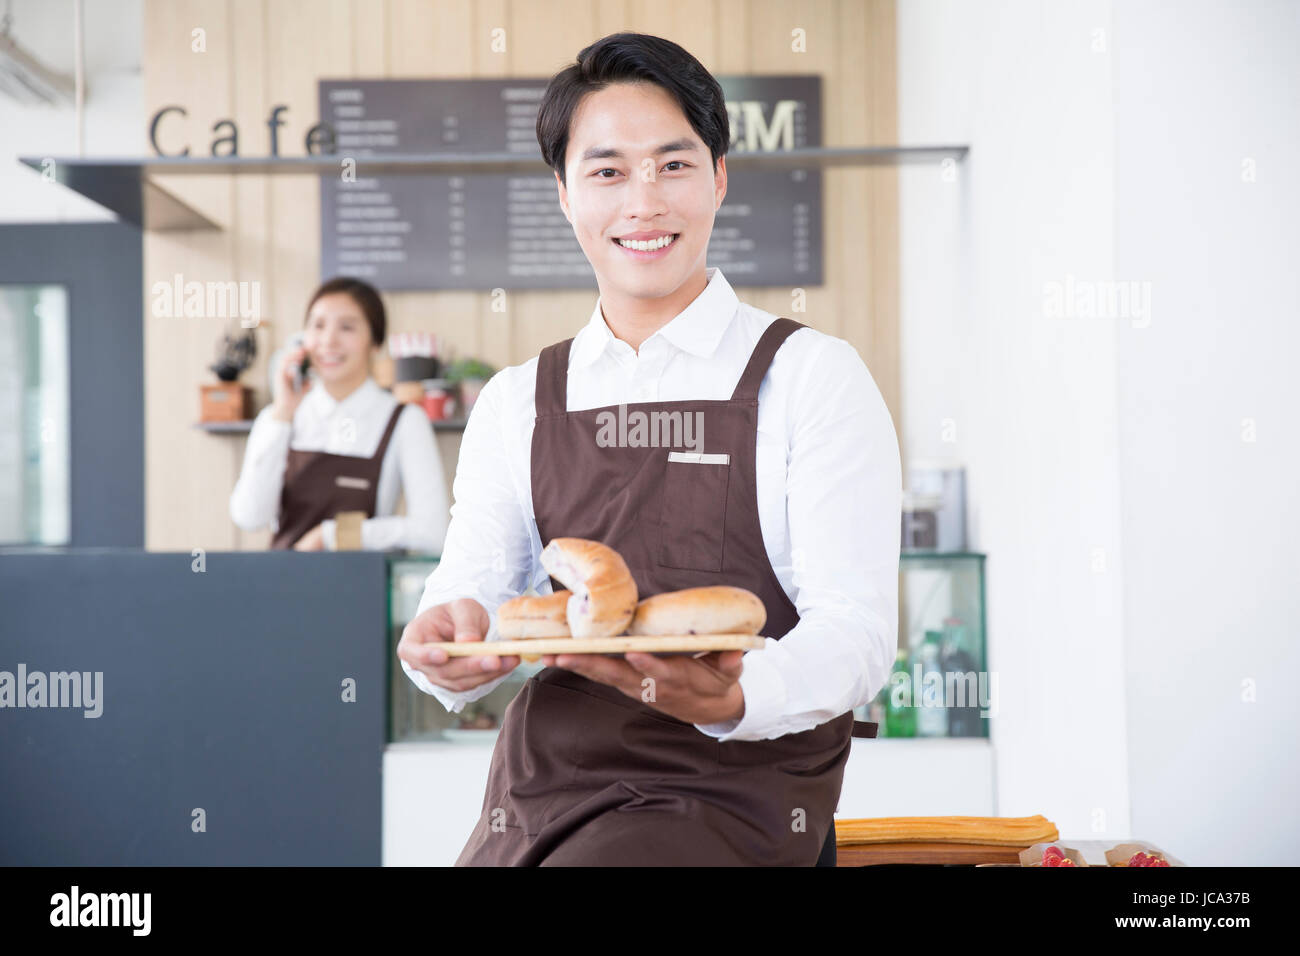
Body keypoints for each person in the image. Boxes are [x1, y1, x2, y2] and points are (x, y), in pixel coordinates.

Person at [396, 32, 900, 865]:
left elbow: (856, 629)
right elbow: (474, 592)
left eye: (674, 164)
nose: (644, 202)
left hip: (732, 784)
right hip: (543, 783)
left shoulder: (811, 376)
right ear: (563, 193)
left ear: (719, 177)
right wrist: (446, 641)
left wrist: (739, 692)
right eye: (607, 171)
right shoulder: (517, 399)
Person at [229, 277, 450, 553]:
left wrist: (330, 535)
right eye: (318, 326)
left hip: (361, 590)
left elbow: (432, 531)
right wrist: (282, 415)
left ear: (375, 343)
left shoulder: (405, 420)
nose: (328, 341)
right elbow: (249, 517)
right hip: (280, 588)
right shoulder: (277, 418)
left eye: (347, 327)